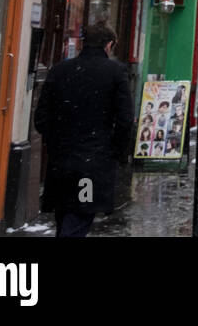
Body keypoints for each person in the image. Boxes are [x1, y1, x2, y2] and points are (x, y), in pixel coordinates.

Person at [34, 23, 133, 237]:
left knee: (65, 215)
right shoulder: (115, 73)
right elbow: (125, 120)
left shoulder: (60, 70)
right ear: (109, 45)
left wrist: (56, 143)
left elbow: (41, 117)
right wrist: (116, 152)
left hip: (61, 161)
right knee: (79, 217)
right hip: (92, 163)